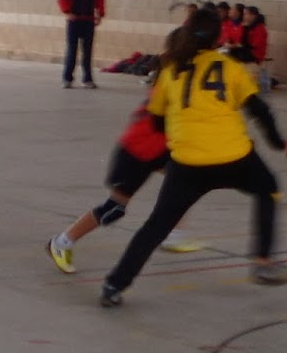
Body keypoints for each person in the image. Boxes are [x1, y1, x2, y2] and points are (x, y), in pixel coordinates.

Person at [98, 6, 287, 306]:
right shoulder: (230, 67)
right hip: (234, 157)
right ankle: (263, 261)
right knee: (268, 188)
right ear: (219, 38)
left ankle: (115, 284)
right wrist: (279, 143)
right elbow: (259, 110)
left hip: (188, 163)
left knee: (157, 225)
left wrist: (182, 134)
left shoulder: (171, 70)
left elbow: (157, 120)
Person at [47, 28, 202, 274]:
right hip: (136, 151)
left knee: (184, 180)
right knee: (115, 208)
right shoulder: (172, 77)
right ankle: (61, 242)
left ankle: (174, 234)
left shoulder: (179, 74)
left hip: (158, 148)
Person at [58, 0, 104, 88]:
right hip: (74, 20)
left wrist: (100, 13)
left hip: (88, 20)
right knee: (72, 50)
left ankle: (87, 79)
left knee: (87, 51)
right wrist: (67, 11)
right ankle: (67, 79)